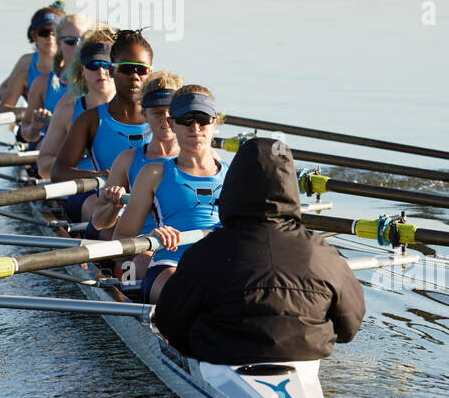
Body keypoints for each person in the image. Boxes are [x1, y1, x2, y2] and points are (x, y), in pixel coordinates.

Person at [152, 137, 366, 364]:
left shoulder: (206, 252)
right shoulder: (324, 253)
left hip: (223, 355)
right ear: (291, 187)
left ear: (233, 186)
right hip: (306, 353)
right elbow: (349, 328)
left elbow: (169, 324)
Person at [112, 84, 224, 303]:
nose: (195, 127)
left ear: (214, 123)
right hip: (169, 265)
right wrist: (149, 239)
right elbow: (119, 245)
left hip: (218, 265)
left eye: (202, 118)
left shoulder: (234, 173)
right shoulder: (154, 173)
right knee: (193, 299)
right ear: (172, 124)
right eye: (186, 119)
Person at [52, 29, 154, 226]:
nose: (134, 76)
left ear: (150, 72)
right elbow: (59, 172)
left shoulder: (164, 119)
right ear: (113, 71)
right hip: (107, 215)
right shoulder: (89, 120)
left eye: (141, 70)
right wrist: (98, 176)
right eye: (126, 69)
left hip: (155, 215)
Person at [88, 71, 182, 273]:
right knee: (143, 261)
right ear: (144, 115)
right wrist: (113, 205)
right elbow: (98, 221)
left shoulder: (202, 161)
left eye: (171, 112)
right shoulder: (127, 160)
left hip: (184, 245)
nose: (166, 119)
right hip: (138, 253)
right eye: (157, 112)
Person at [35, 28, 116, 183]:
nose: (101, 71)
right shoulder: (67, 112)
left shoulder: (140, 112)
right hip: (83, 189)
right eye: (93, 65)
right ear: (82, 70)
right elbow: (43, 168)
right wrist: (72, 155)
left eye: (107, 64)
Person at [18, 12, 91, 145]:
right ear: (58, 42)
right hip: (52, 155)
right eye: (70, 41)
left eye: (83, 41)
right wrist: (35, 128)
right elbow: (26, 133)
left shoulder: (100, 82)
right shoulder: (42, 83)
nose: (78, 47)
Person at [0, 3, 65, 110]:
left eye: (55, 32)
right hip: (36, 122)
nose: (50, 37)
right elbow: (2, 97)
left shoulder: (75, 66)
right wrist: (30, 110)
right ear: (34, 35)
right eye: (44, 33)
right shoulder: (26, 66)